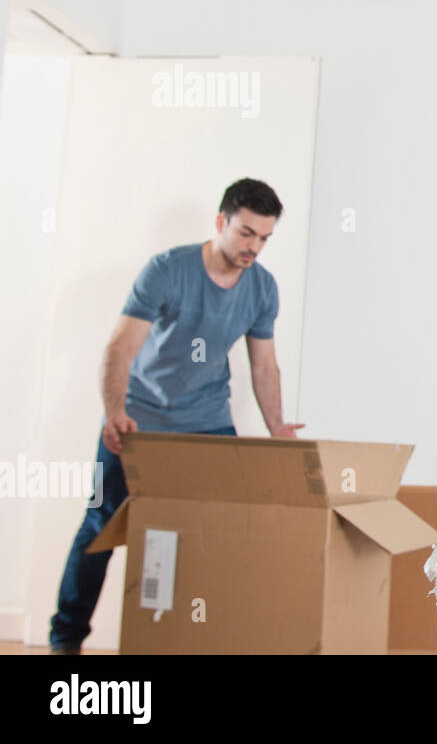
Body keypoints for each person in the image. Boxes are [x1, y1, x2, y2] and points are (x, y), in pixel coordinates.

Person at [48, 177, 305, 654]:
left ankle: (195, 636)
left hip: (207, 425)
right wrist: (115, 412)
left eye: (265, 238)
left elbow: (264, 364)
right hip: (139, 423)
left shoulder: (262, 289)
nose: (255, 247)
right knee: (99, 527)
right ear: (220, 222)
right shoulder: (168, 269)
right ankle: (66, 638)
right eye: (246, 233)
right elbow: (121, 347)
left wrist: (277, 427)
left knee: (216, 530)